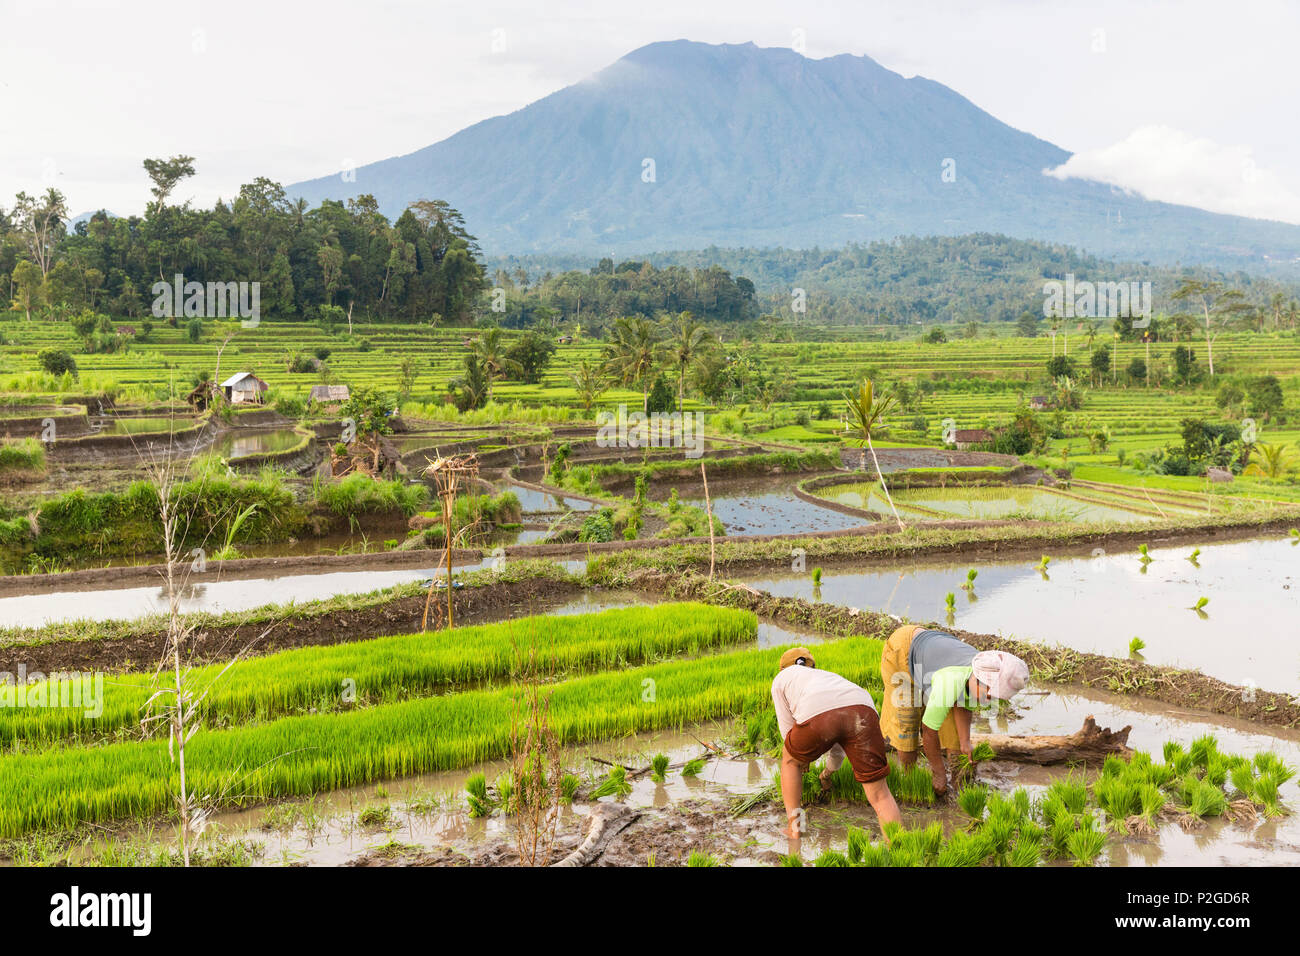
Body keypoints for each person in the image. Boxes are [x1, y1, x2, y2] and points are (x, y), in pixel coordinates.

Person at [879, 624, 1029, 795]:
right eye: (988, 693)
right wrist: (938, 772)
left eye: (995, 696)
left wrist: (965, 742)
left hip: (934, 654)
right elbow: (929, 730)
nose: (989, 699)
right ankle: (909, 778)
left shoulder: (980, 672)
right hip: (904, 650)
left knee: (954, 735)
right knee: (907, 721)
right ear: (977, 679)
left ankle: (959, 782)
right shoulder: (949, 681)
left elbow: (964, 705)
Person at [770, 647, 901, 838]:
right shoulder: (827, 677)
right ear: (812, 666)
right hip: (863, 707)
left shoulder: (782, 678)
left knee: (790, 762)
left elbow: (788, 733)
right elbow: (840, 747)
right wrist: (827, 773)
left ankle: (795, 828)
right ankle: (898, 849)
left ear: (782, 669)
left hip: (818, 711)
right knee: (880, 794)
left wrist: (801, 759)